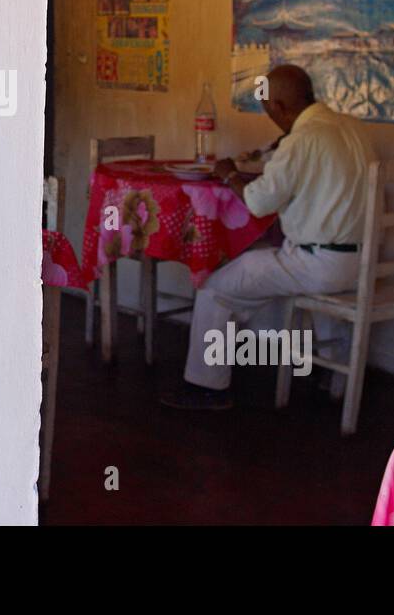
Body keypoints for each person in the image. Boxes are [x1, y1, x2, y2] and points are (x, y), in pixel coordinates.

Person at [160, 65, 376, 411]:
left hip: (316, 266)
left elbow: (258, 203)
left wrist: (229, 173)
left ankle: (207, 387)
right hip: (358, 263)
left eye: (269, 111)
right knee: (255, 259)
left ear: (278, 107)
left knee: (215, 287)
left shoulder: (302, 140)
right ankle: (333, 375)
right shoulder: (352, 128)